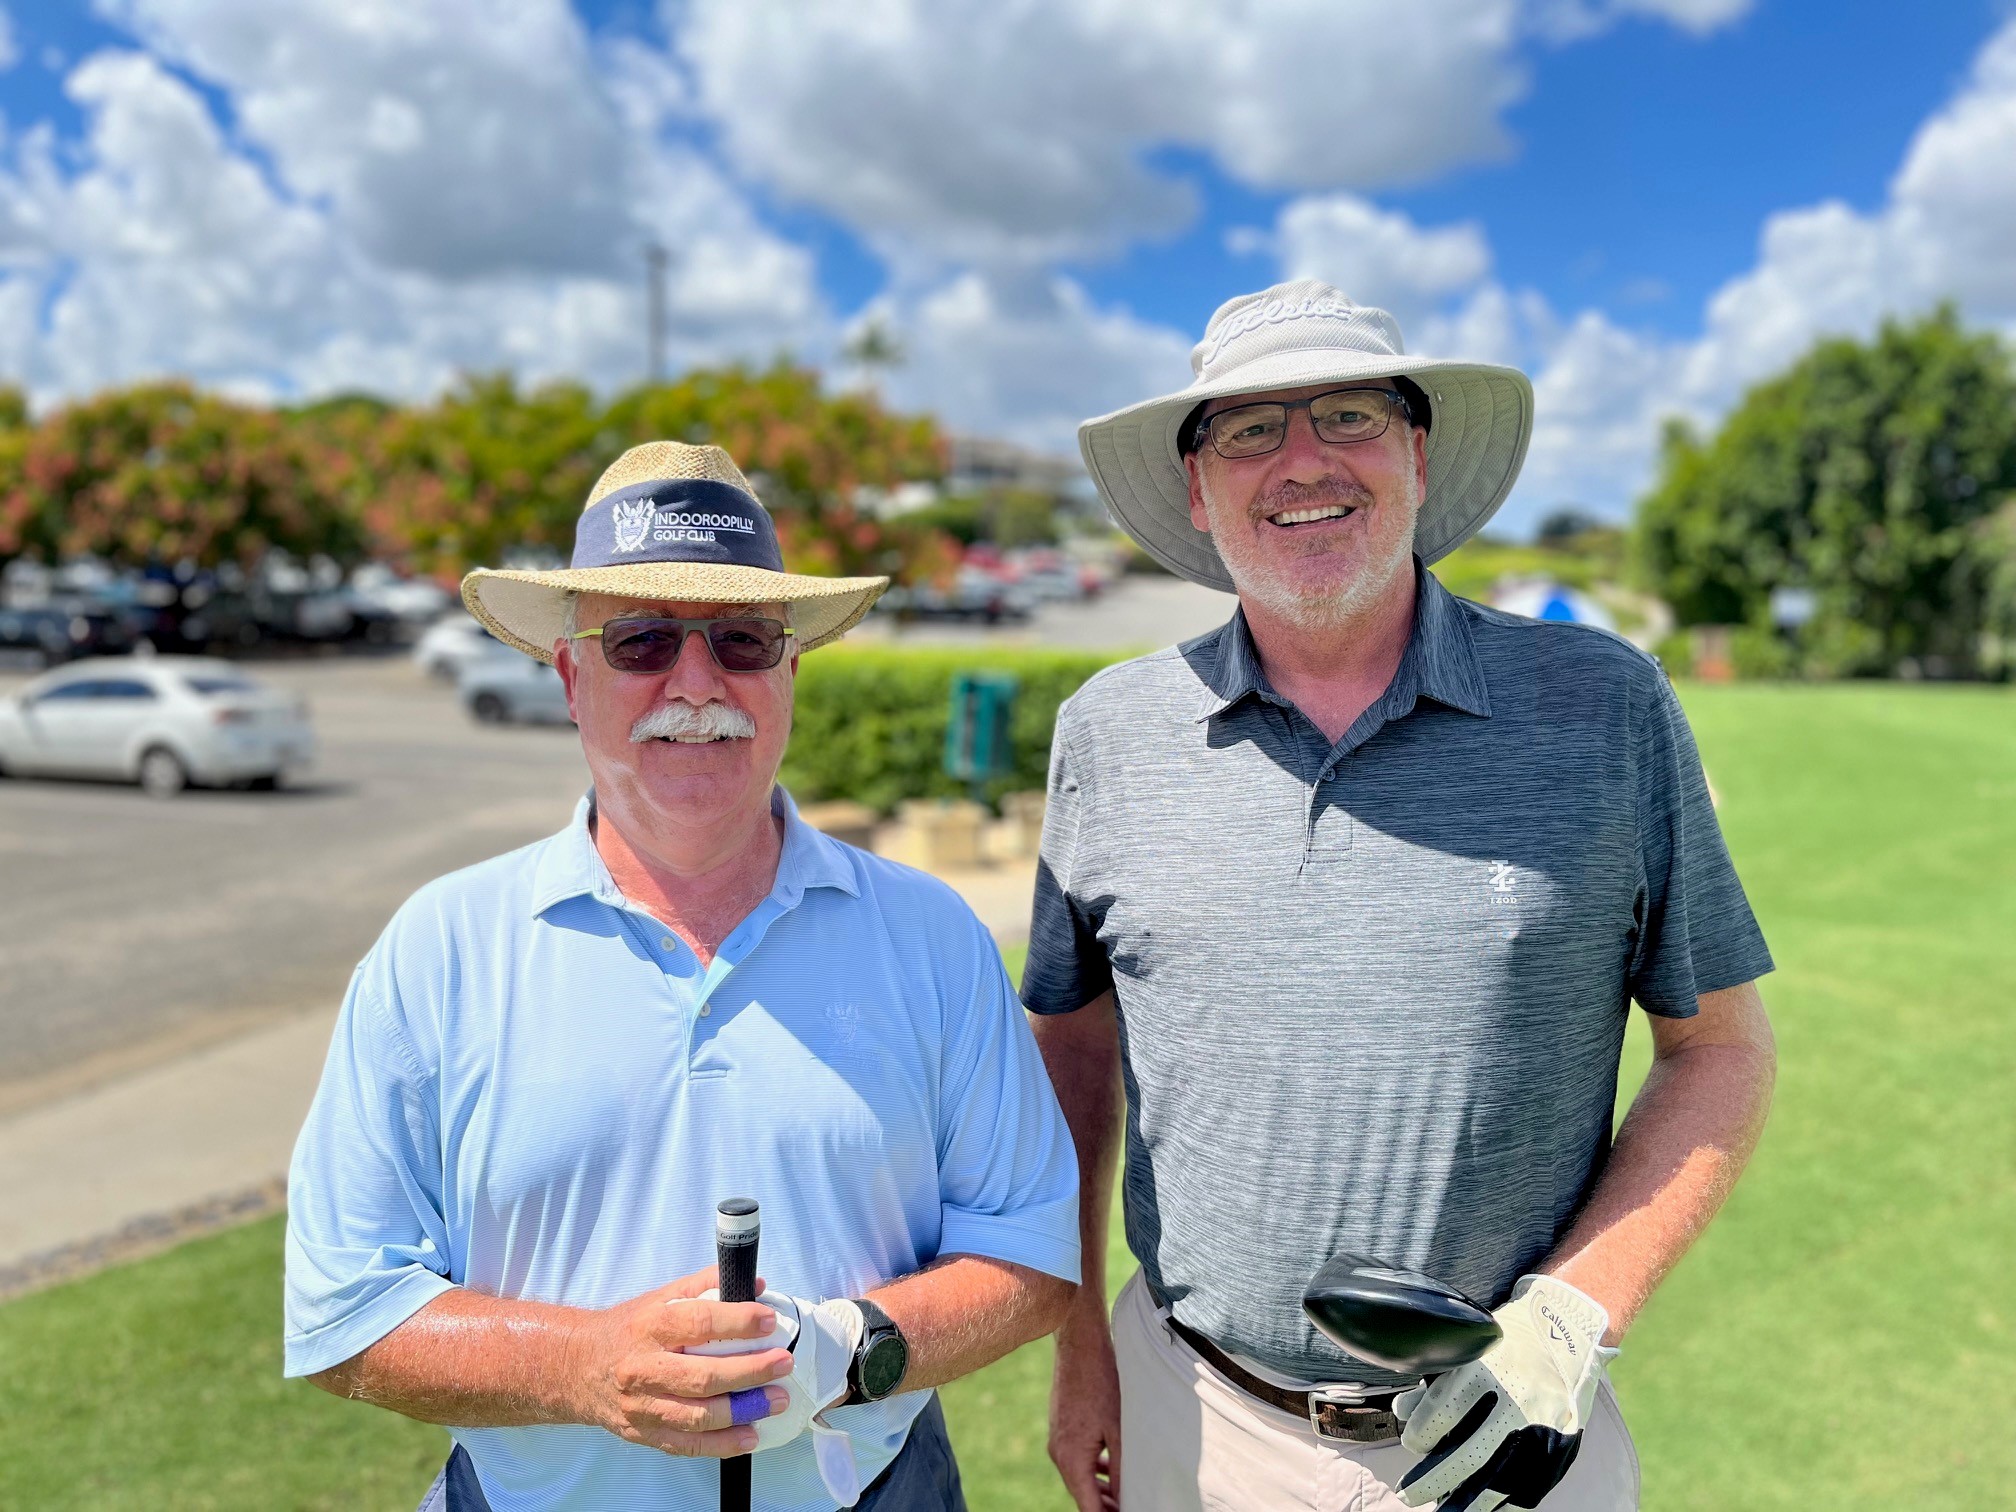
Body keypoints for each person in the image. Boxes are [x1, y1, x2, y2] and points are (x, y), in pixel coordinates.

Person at [1028, 281, 1776, 1512]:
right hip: (1191, 1418)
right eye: (1249, 430)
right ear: (1200, 488)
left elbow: (1723, 1052)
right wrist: (1079, 1349)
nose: (1303, 460)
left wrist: (1575, 1316)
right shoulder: (1109, 732)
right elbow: (1072, 1049)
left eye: (1350, 414)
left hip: (1510, 1436)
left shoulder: (1603, 707)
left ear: (1418, 455)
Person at [284, 442, 1080, 1512]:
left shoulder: (930, 934)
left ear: (789, 672)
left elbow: (1030, 1254)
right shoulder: (441, 947)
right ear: (573, 679)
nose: (696, 685)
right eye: (643, 640)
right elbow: (341, 1315)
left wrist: (846, 1351)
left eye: (742, 640)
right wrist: (583, 1365)